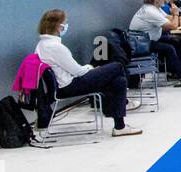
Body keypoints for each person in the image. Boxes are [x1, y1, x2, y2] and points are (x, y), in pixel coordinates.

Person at [35, 8, 139, 137]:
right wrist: (91, 68)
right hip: (70, 86)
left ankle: (120, 125)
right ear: (58, 26)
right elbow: (78, 71)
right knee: (117, 67)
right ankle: (120, 119)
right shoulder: (55, 47)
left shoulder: (42, 44)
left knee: (119, 80)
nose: (67, 26)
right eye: (65, 23)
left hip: (65, 83)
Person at [129, 0, 181, 83]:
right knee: (169, 48)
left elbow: (169, 19)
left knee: (180, 41)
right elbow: (173, 25)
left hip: (149, 39)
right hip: (141, 43)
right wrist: (176, 14)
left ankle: (176, 70)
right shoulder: (150, 11)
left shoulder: (155, 8)